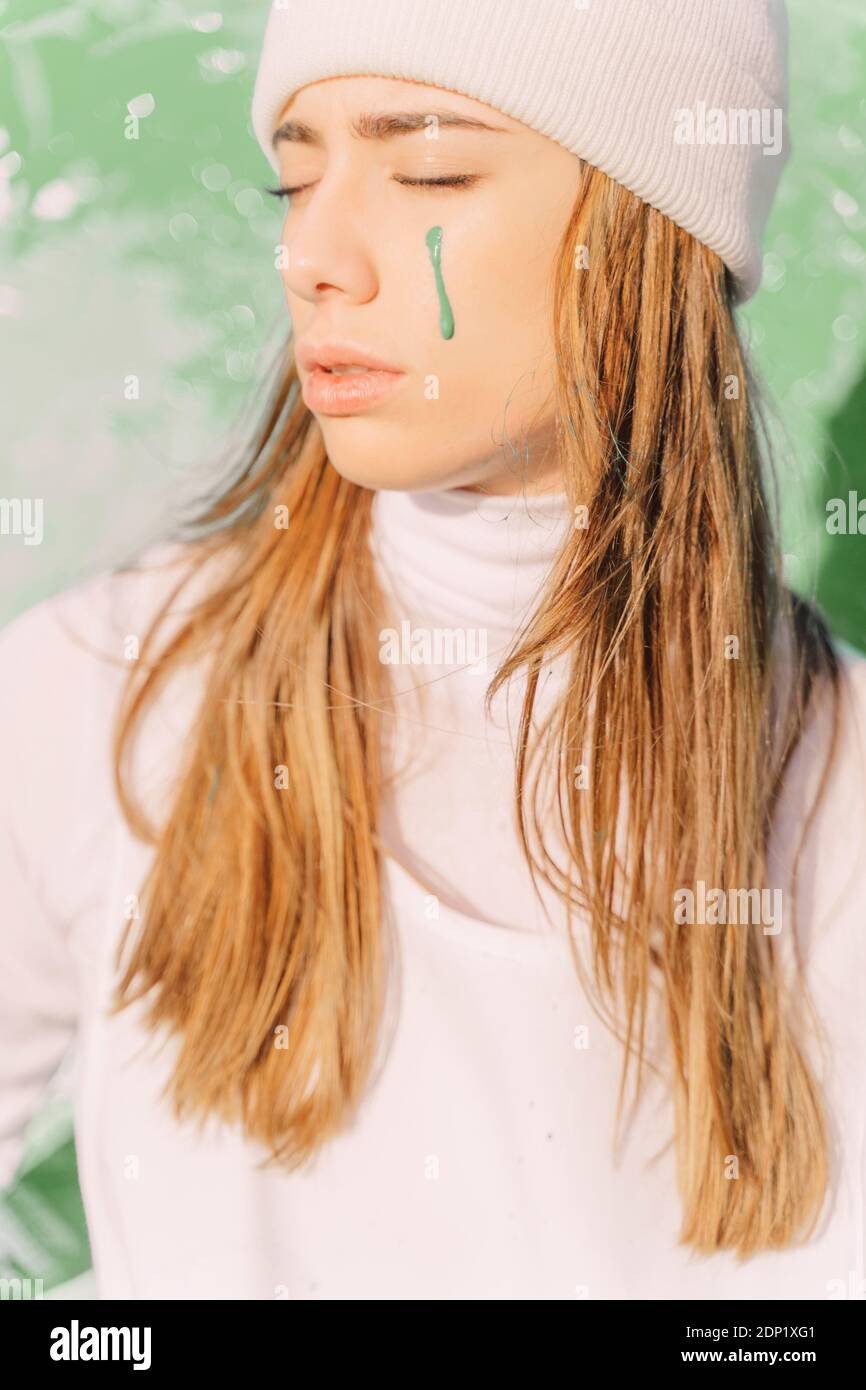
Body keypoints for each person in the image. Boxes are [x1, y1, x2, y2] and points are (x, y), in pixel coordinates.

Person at [1, 0, 865, 1300]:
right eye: (294, 173)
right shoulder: (102, 692)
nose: (313, 253)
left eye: (427, 173)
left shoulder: (835, 794)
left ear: (646, 231)